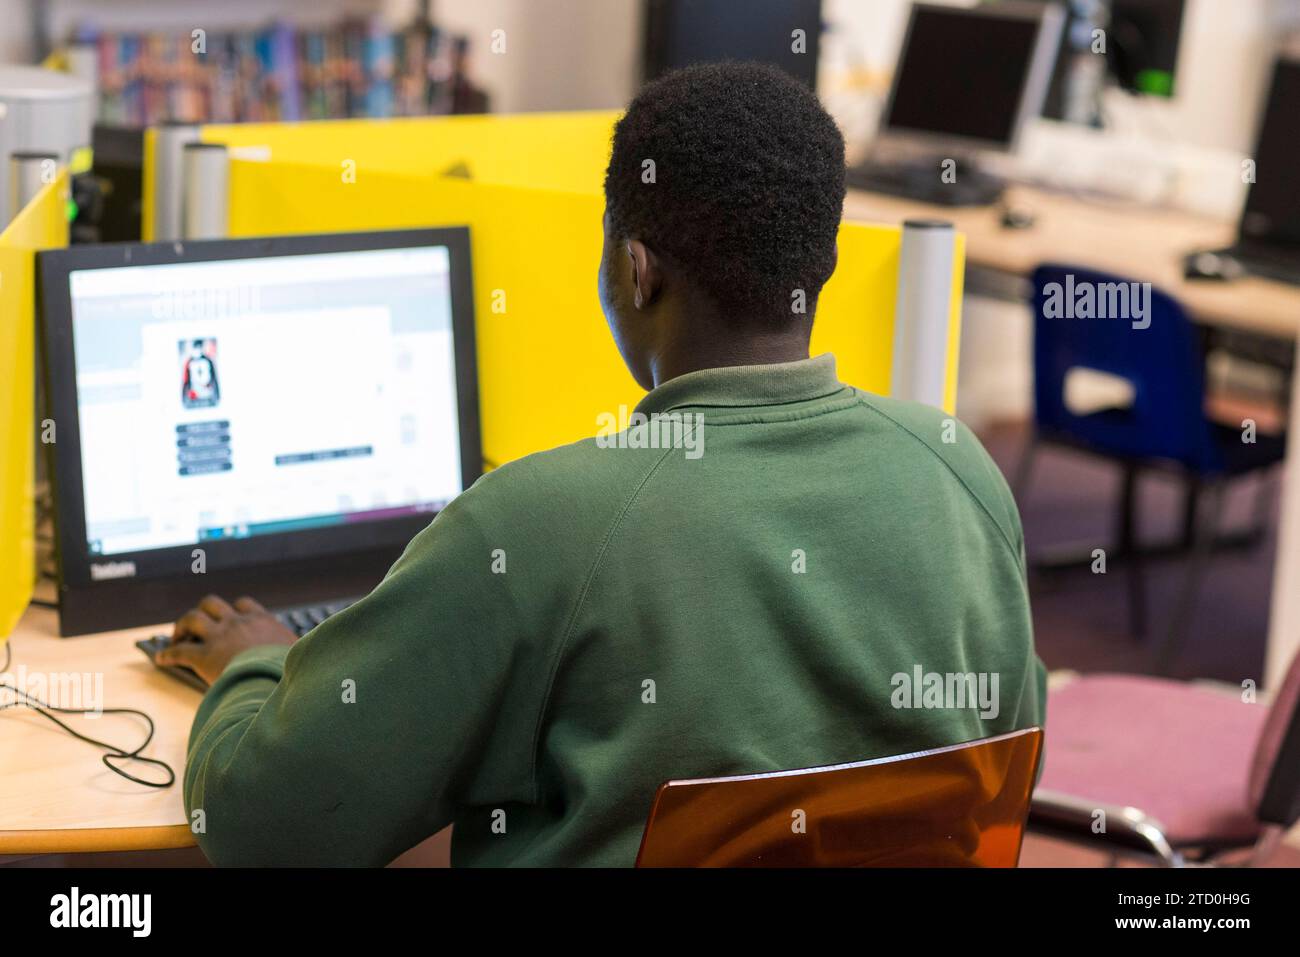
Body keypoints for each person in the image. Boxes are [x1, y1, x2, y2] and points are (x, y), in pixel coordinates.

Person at [159, 62, 1045, 867]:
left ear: (635, 269)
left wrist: (257, 665)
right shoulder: (959, 471)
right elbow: (1000, 767)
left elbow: (260, 829)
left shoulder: (538, 524)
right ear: (827, 265)